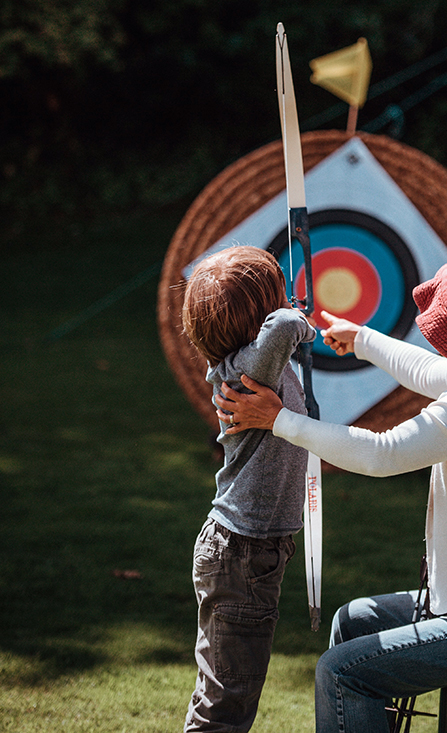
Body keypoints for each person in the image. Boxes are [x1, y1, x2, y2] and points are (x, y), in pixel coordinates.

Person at [215, 245, 447, 733]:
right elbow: (428, 371)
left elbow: (381, 454)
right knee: (353, 620)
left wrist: (279, 419)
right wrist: (363, 339)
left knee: (341, 673)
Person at [180, 245, 316, 733]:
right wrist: (303, 322)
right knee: (226, 704)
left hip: (248, 550)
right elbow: (284, 326)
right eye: (277, 296)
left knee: (228, 693)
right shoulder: (248, 371)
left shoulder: (255, 367)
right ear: (261, 314)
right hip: (243, 552)